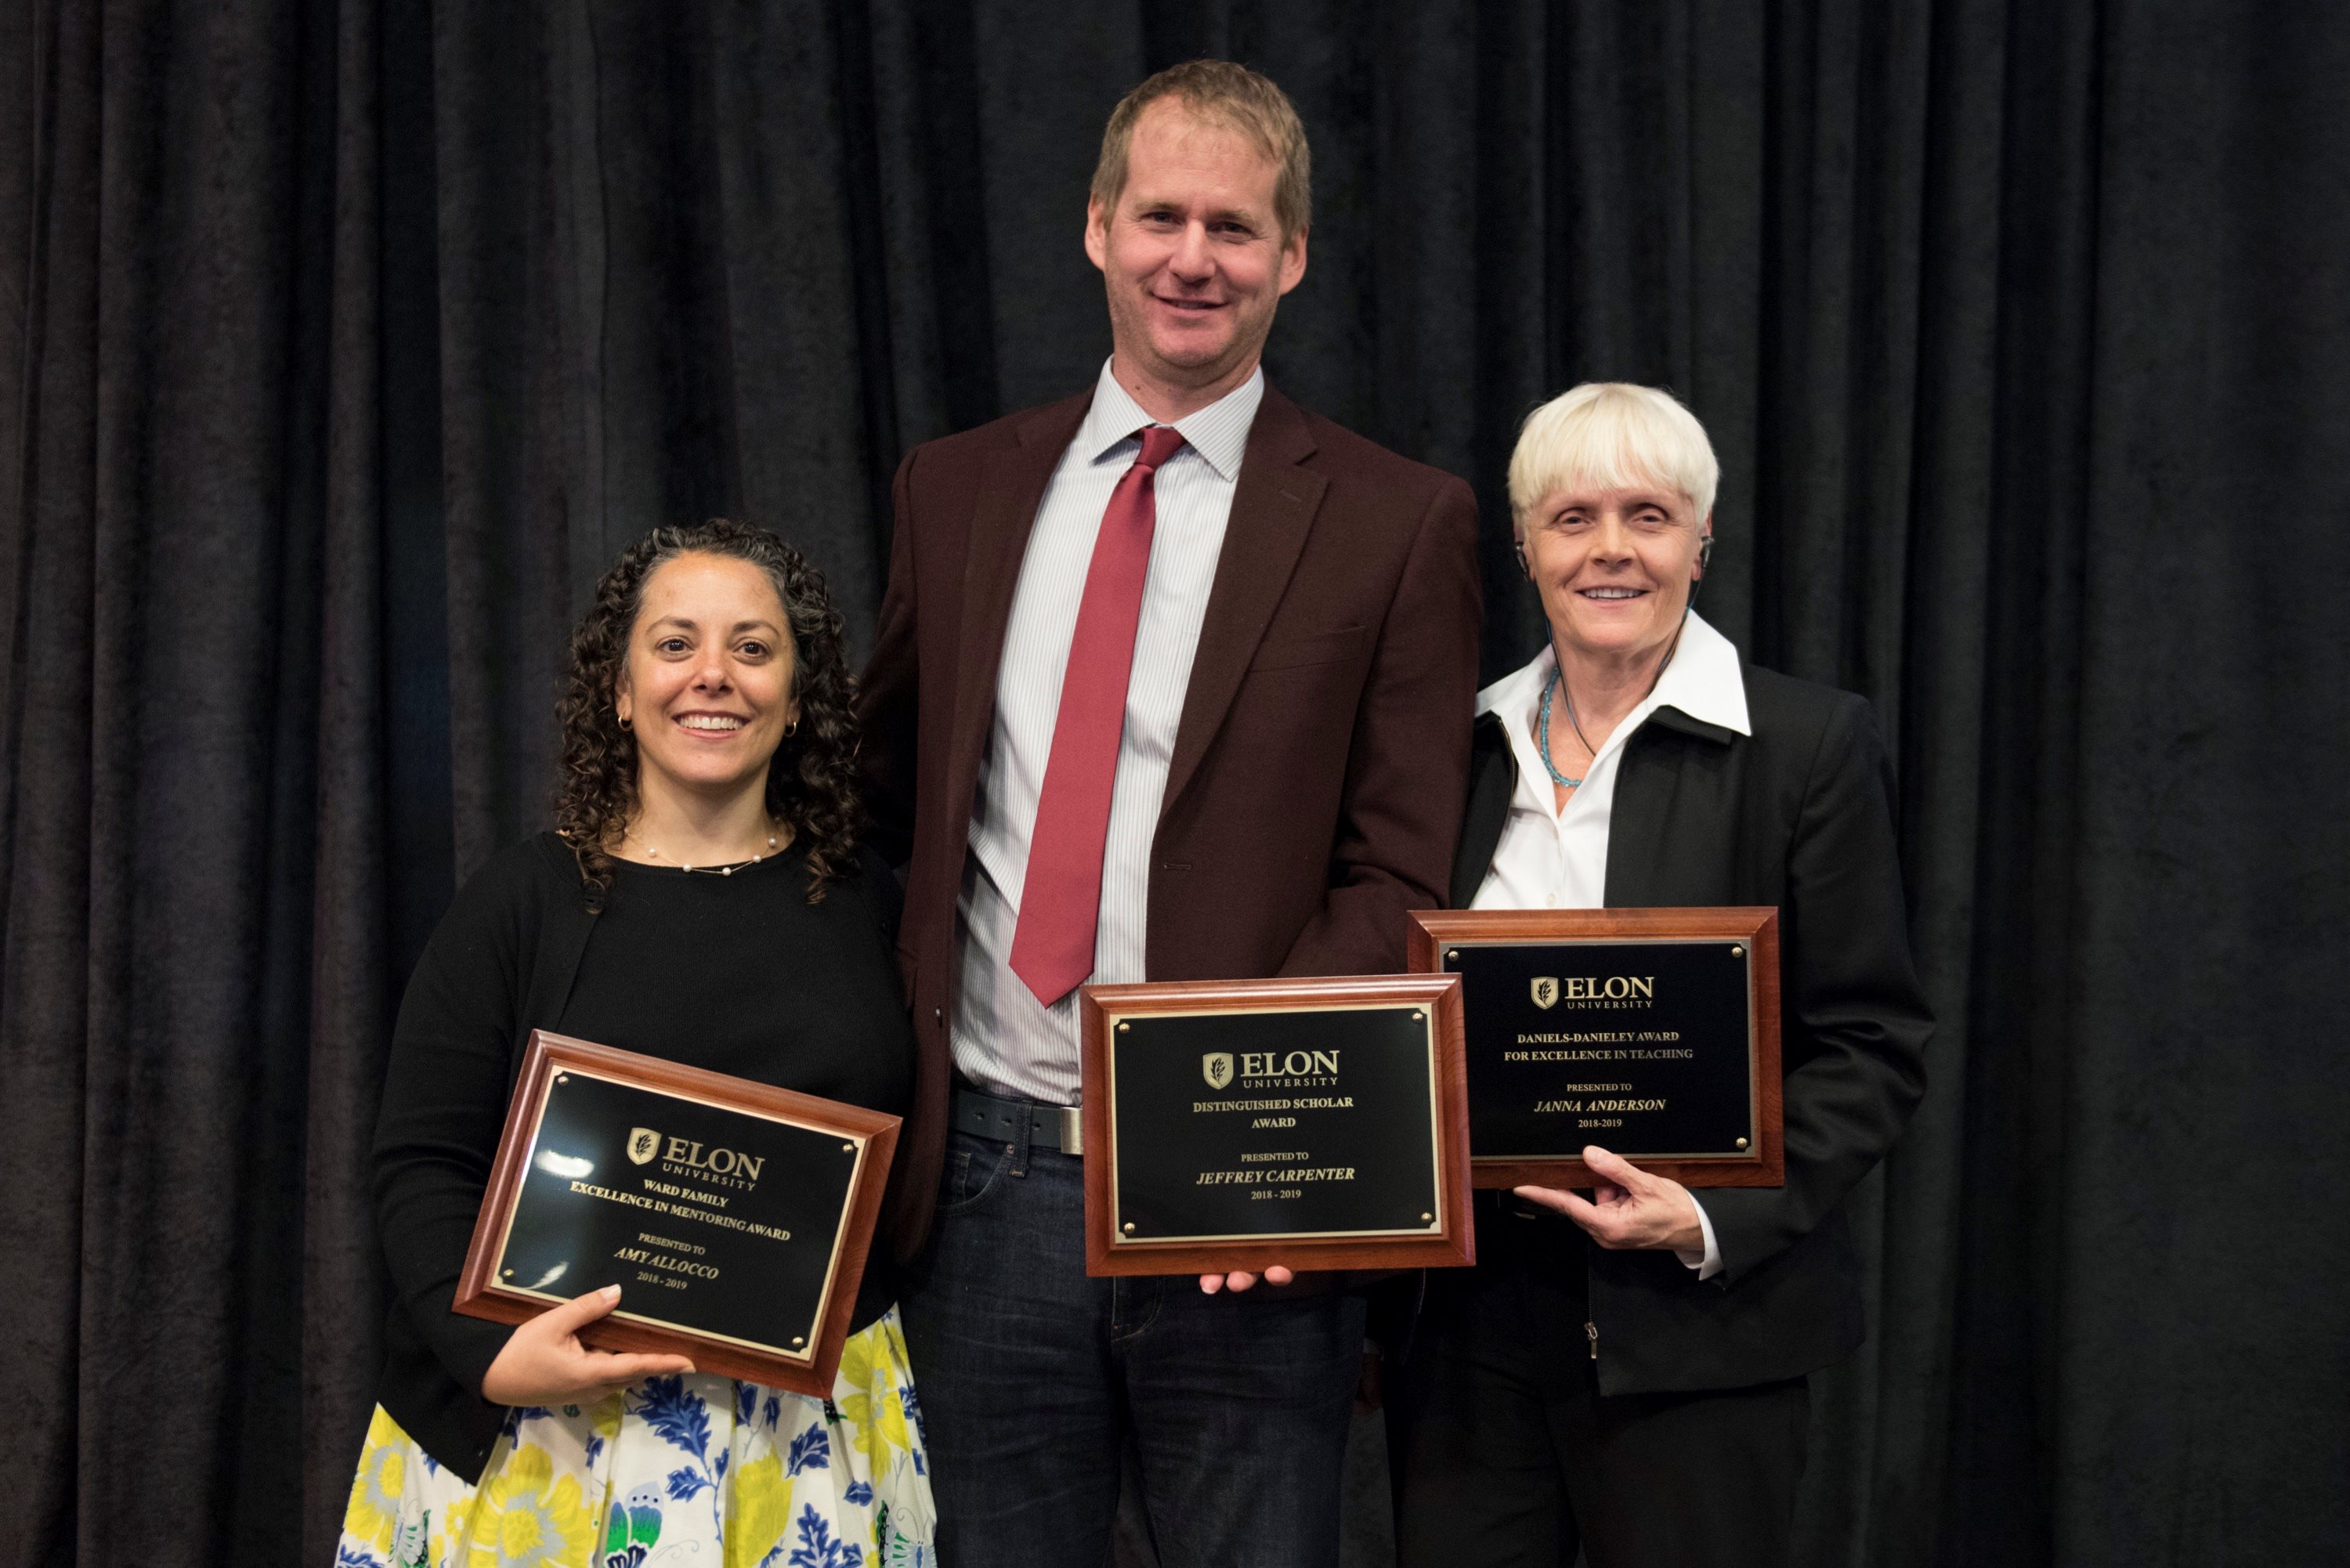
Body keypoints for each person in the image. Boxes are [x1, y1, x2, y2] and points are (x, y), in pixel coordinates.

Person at [855, 60, 1480, 1568]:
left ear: (1295, 257)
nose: (1193, 257)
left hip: (1245, 1221)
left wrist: (1257, 1126)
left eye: (1235, 227)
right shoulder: (954, 490)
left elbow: (1396, 867)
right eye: (1161, 218)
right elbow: (885, 810)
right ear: (1094, 230)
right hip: (987, 1184)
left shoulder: (1401, 522)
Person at [1387, 384, 1932, 1567]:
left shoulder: (1806, 746)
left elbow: (1874, 1046)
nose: (1613, 549)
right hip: (1471, 1328)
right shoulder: (1453, 748)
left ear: (1703, 539)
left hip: (1701, 1330)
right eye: (1574, 516)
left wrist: (1710, 1217)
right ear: (1526, 545)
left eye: (1650, 513)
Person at [338, 520, 935, 1568]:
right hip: (551, 1434)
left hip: (806, 1443)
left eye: (753, 647)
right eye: (675, 644)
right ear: (619, 689)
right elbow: (421, 1161)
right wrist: (492, 1351)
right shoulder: (522, 903)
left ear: (797, 700)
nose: (714, 675)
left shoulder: (868, 904)